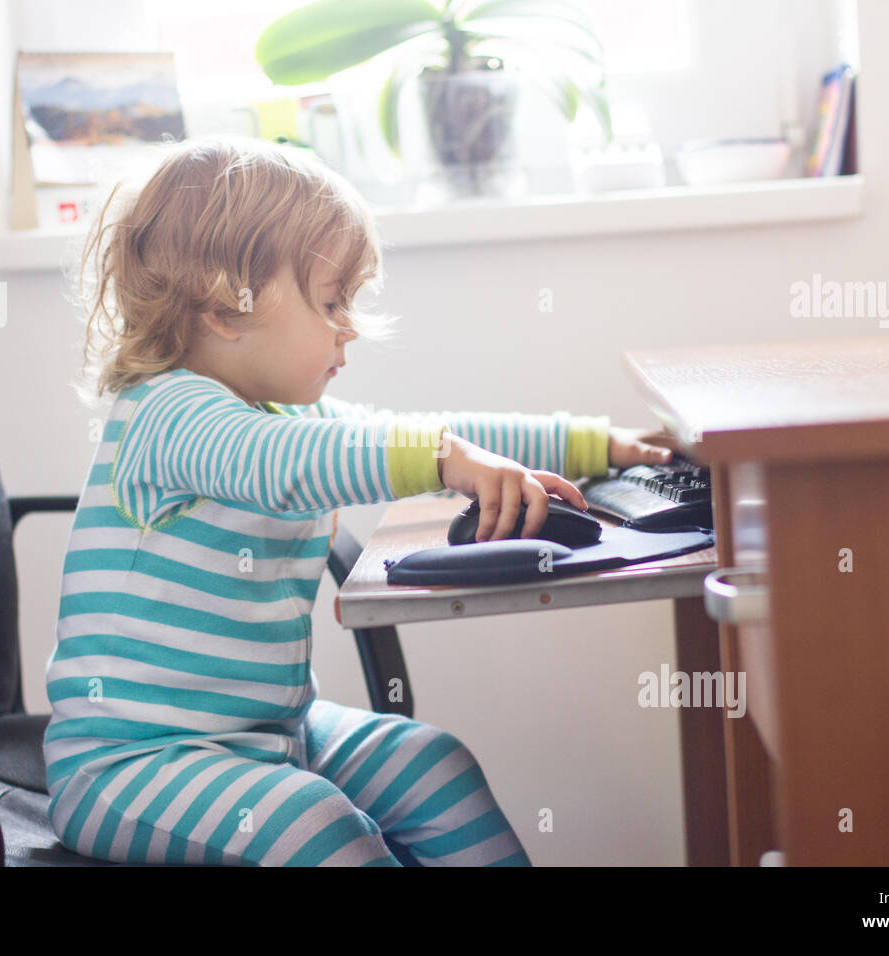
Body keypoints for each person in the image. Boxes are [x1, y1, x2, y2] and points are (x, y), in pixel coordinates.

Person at [43, 134, 678, 866]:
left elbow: (425, 434)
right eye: (330, 301)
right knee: (313, 824)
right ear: (224, 303)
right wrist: (444, 460)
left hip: (273, 734)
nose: (349, 325)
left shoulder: (286, 416)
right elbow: (280, 468)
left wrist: (599, 445)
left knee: (435, 765)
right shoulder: (165, 415)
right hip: (129, 766)